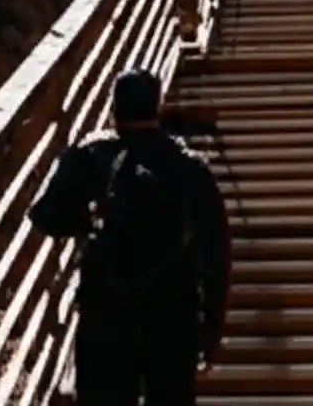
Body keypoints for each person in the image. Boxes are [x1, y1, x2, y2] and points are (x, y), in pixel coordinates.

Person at [28, 68, 230, 406]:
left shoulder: (90, 155)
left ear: (114, 107)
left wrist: (86, 219)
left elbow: (45, 216)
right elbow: (216, 257)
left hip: (105, 316)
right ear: (158, 106)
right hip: (173, 319)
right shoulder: (190, 167)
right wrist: (211, 332)